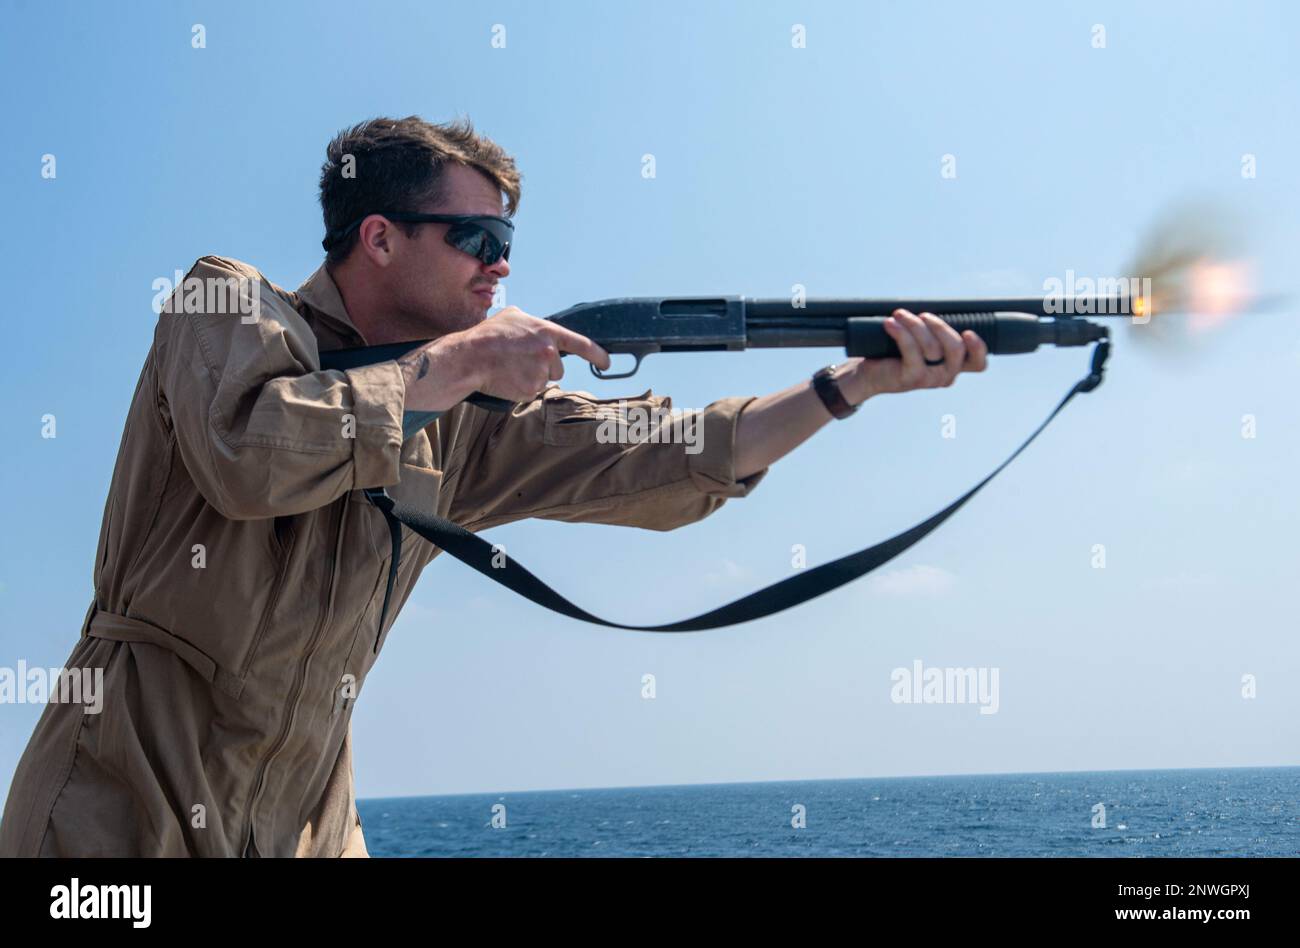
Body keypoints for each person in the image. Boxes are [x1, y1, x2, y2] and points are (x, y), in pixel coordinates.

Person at [0, 115, 988, 857]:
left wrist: (846, 386)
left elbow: (661, 451)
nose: (502, 264)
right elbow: (255, 454)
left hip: (304, 823)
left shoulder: (459, 422)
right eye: (475, 237)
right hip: (115, 808)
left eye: (507, 240)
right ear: (380, 238)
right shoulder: (230, 302)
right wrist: (459, 368)